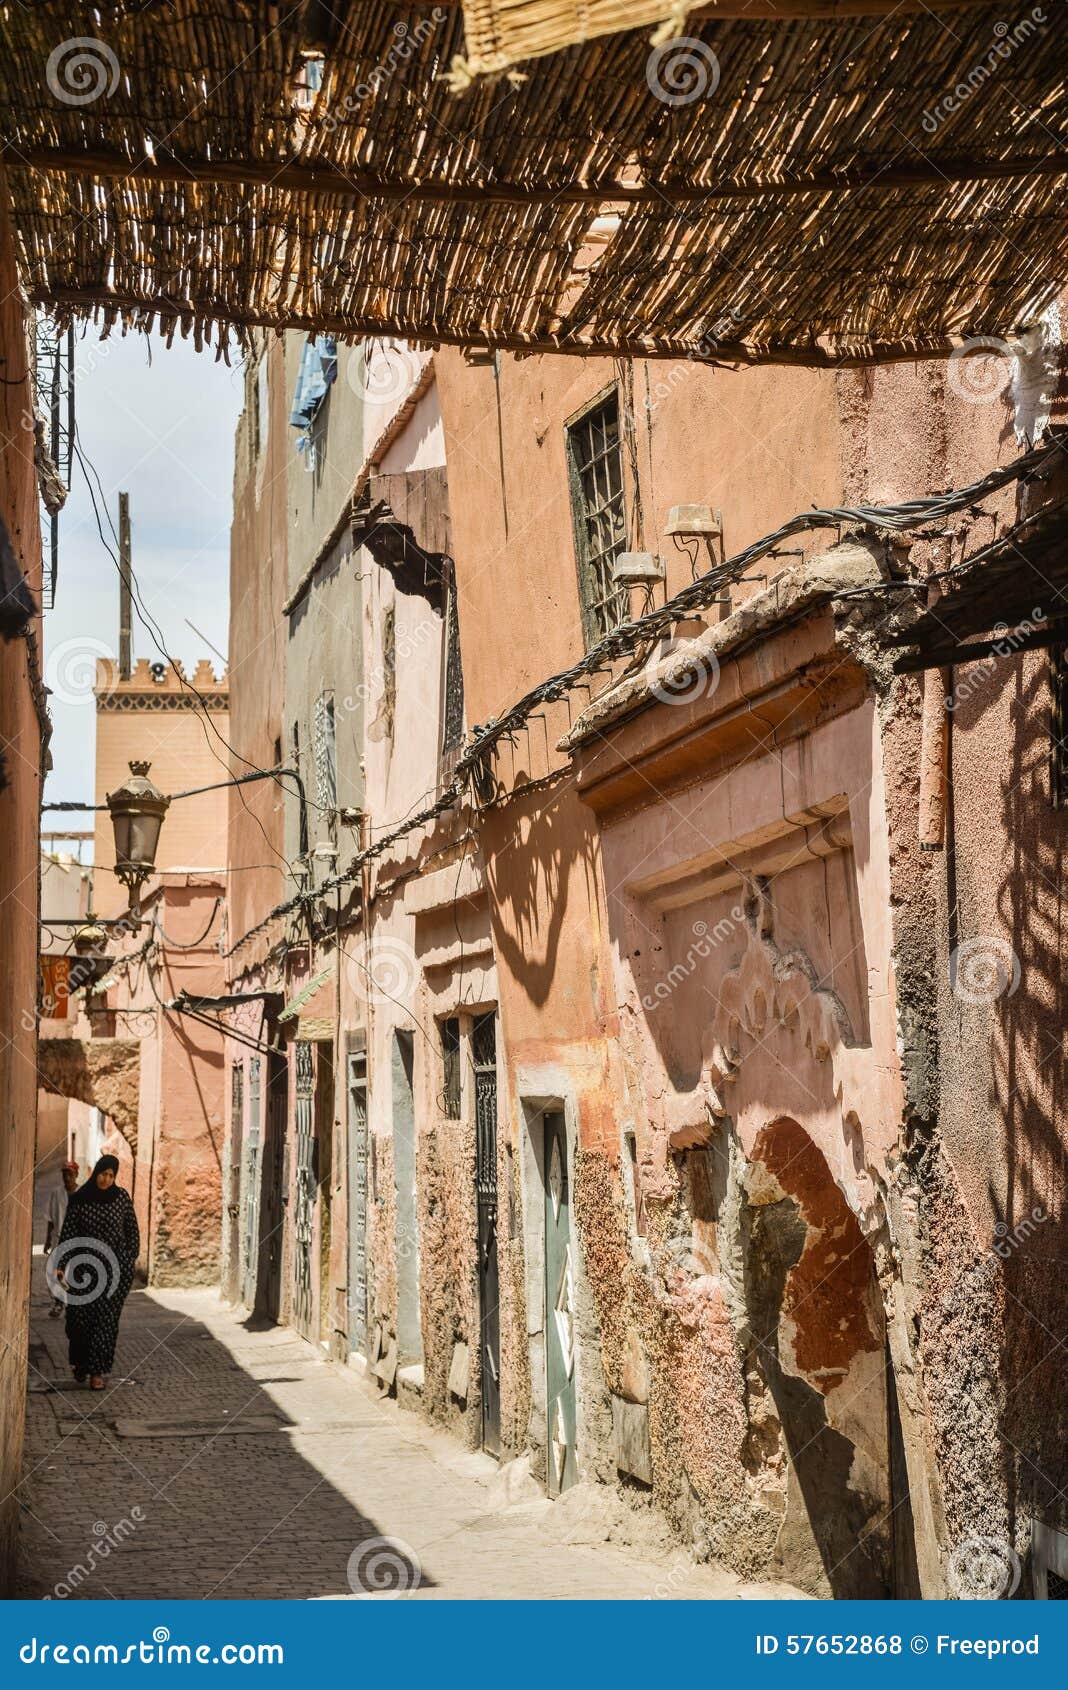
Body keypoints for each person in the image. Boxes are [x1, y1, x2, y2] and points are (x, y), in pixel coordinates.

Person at [54, 1154, 140, 1391]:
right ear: (96, 1173)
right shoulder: (80, 1199)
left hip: (115, 1274)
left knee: (106, 1323)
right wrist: (61, 1264)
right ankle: (81, 1365)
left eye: (112, 1175)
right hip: (86, 1272)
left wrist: (127, 1259)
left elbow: (132, 1232)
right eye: (104, 1174)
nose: (107, 1179)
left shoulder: (121, 1198)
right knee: (79, 1322)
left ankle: (97, 1373)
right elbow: (69, 1233)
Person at [44, 1161, 79, 1317]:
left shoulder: (82, 1194)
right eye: (64, 1174)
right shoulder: (56, 1193)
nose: (67, 1177)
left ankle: (72, 1305)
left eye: (70, 1174)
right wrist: (47, 1240)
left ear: (76, 1175)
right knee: (56, 1273)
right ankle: (58, 1304)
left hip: (77, 1240)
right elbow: (51, 1218)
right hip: (59, 1238)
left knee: (73, 1274)